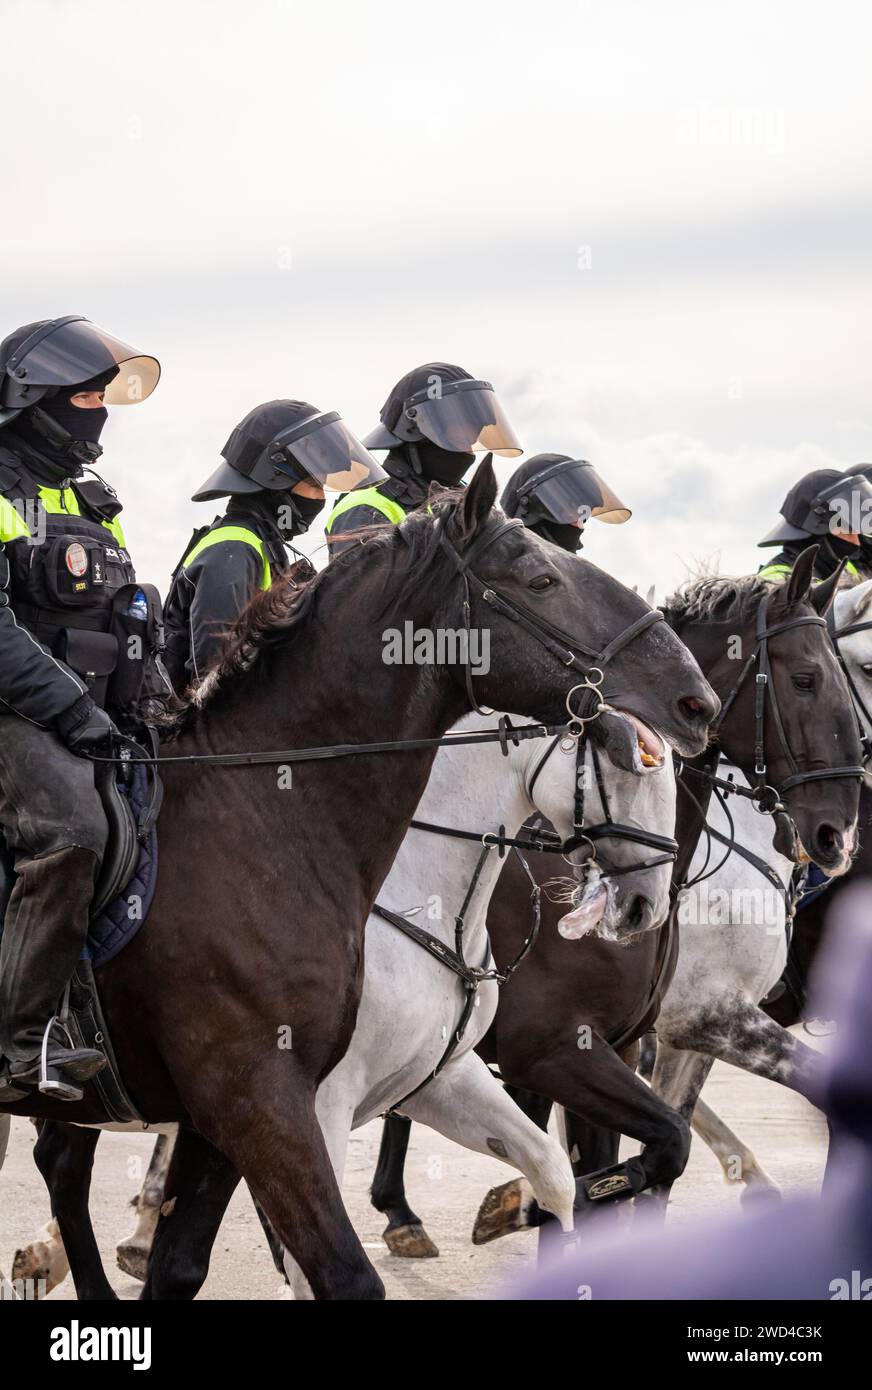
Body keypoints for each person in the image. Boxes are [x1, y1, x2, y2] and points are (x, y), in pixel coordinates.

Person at [0, 315, 161, 1101]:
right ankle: (20, 1045)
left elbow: (125, 611)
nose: (96, 413)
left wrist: (154, 703)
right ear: (36, 400)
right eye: (84, 395)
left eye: (103, 397)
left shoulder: (93, 497)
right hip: (16, 713)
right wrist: (71, 710)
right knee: (72, 830)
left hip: (90, 715)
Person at [163, 399, 384, 691]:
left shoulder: (261, 545)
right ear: (276, 481)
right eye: (315, 485)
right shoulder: (233, 550)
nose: (320, 498)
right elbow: (218, 681)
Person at [325, 362, 522, 554]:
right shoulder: (366, 507)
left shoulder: (459, 501)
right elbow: (360, 586)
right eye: (461, 439)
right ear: (415, 432)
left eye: (472, 440)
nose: (468, 451)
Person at [757, 468, 872, 583]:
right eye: (849, 530)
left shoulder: (845, 569)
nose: (856, 540)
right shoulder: (775, 581)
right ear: (818, 528)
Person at [500, 453, 631, 553]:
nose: (578, 522)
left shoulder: (573, 576)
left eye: (583, 512)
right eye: (570, 506)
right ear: (530, 511)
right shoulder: (499, 570)